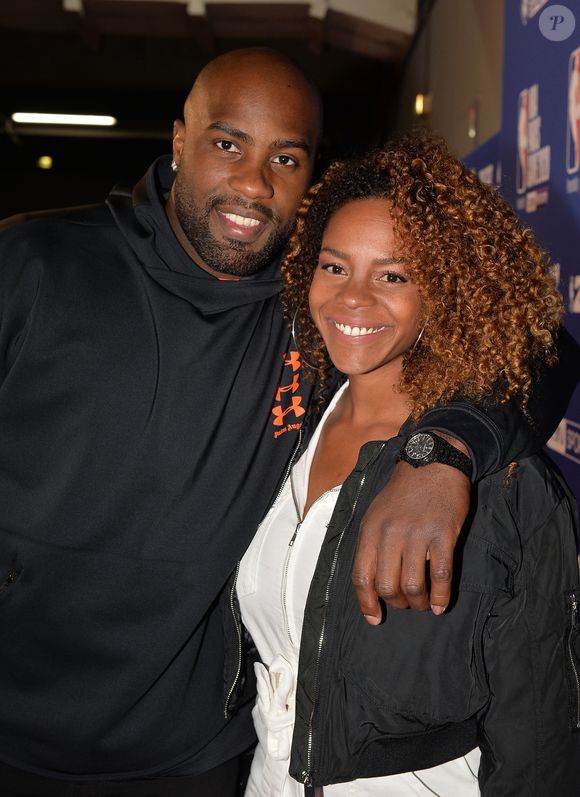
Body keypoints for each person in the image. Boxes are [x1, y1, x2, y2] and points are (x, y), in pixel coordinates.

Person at [0, 48, 576, 795]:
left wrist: (444, 450)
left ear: (310, 175)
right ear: (180, 141)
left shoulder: (315, 310)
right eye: (227, 143)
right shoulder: (33, 263)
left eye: (286, 157)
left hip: (195, 754)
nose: (251, 182)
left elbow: (542, 353)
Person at [238, 132, 580, 796]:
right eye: (334, 266)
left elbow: (541, 743)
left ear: (448, 290)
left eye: (393, 275)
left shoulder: (505, 485)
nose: (352, 298)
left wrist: (439, 453)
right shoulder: (291, 421)